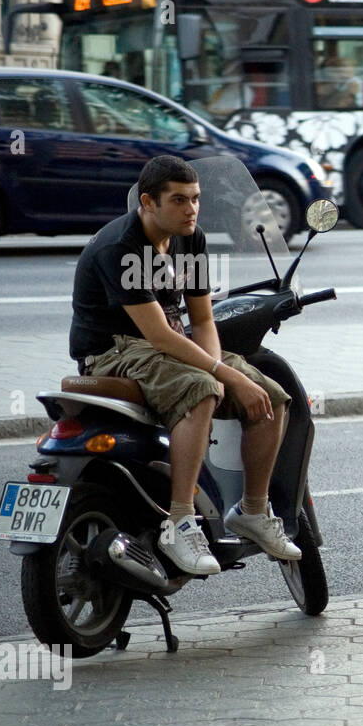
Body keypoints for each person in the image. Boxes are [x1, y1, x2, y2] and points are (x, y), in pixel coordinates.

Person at [69, 156, 302, 576]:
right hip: (115, 349)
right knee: (202, 391)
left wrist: (222, 366)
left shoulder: (189, 238)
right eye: (178, 200)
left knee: (271, 397)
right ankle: (179, 521)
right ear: (147, 202)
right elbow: (157, 337)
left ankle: (251, 509)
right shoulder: (121, 248)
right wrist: (223, 375)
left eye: (195, 199)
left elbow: (203, 320)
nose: (191, 209)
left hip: (169, 342)